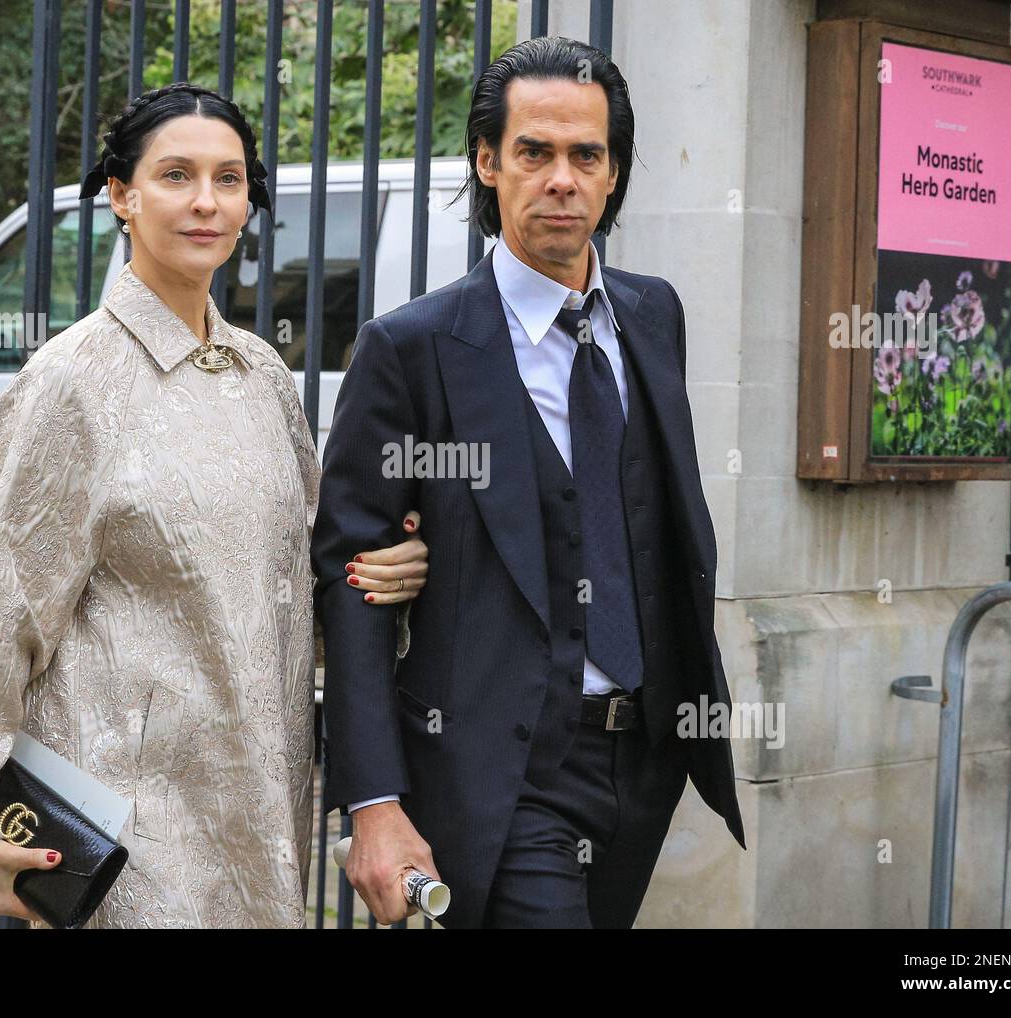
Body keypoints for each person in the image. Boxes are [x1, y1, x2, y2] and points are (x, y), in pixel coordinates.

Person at [0, 83, 429, 929]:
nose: (207, 202)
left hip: (260, 814)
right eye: (177, 175)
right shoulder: (73, 383)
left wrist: (382, 577)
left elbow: (284, 593)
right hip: (127, 837)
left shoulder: (262, 378)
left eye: (228, 179)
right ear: (123, 194)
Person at [312, 37, 746, 929]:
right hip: (500, 773)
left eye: (586, 155)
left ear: (613, 170)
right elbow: (351, 581)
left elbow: (650, 512)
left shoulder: (654, 313)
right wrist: (374, 803)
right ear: (487, 161)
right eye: (534, 152)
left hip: (645, 762)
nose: (562, 179)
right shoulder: (413, 348)